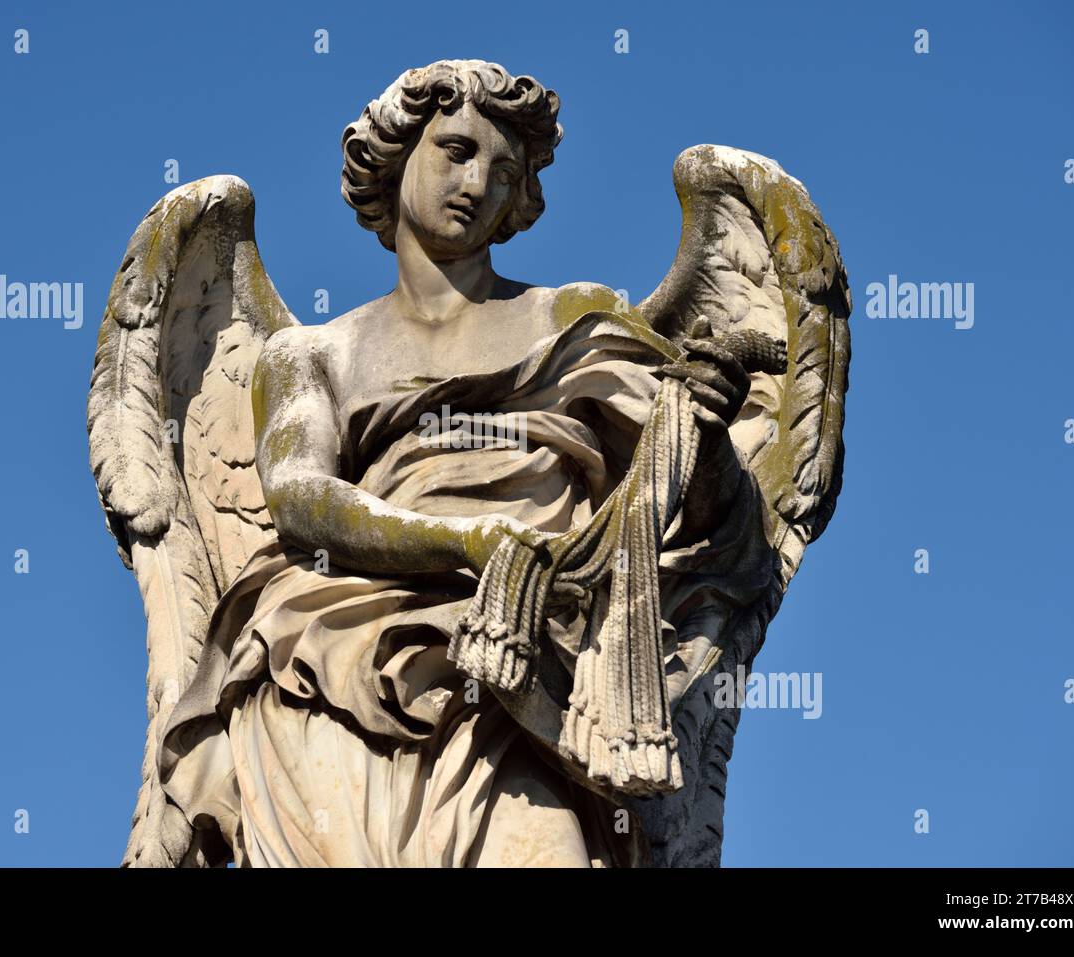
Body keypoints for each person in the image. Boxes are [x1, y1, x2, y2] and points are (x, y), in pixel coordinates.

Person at [159, 59, 766, 867]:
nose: (477, 182)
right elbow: (300, 498)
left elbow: (707, 519)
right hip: (338, 665)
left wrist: (711, 425)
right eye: (455, 151)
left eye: (503, 170)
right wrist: (467, 544)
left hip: (530, 672)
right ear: (395, 155)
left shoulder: (574, 318)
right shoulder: (314, 355)